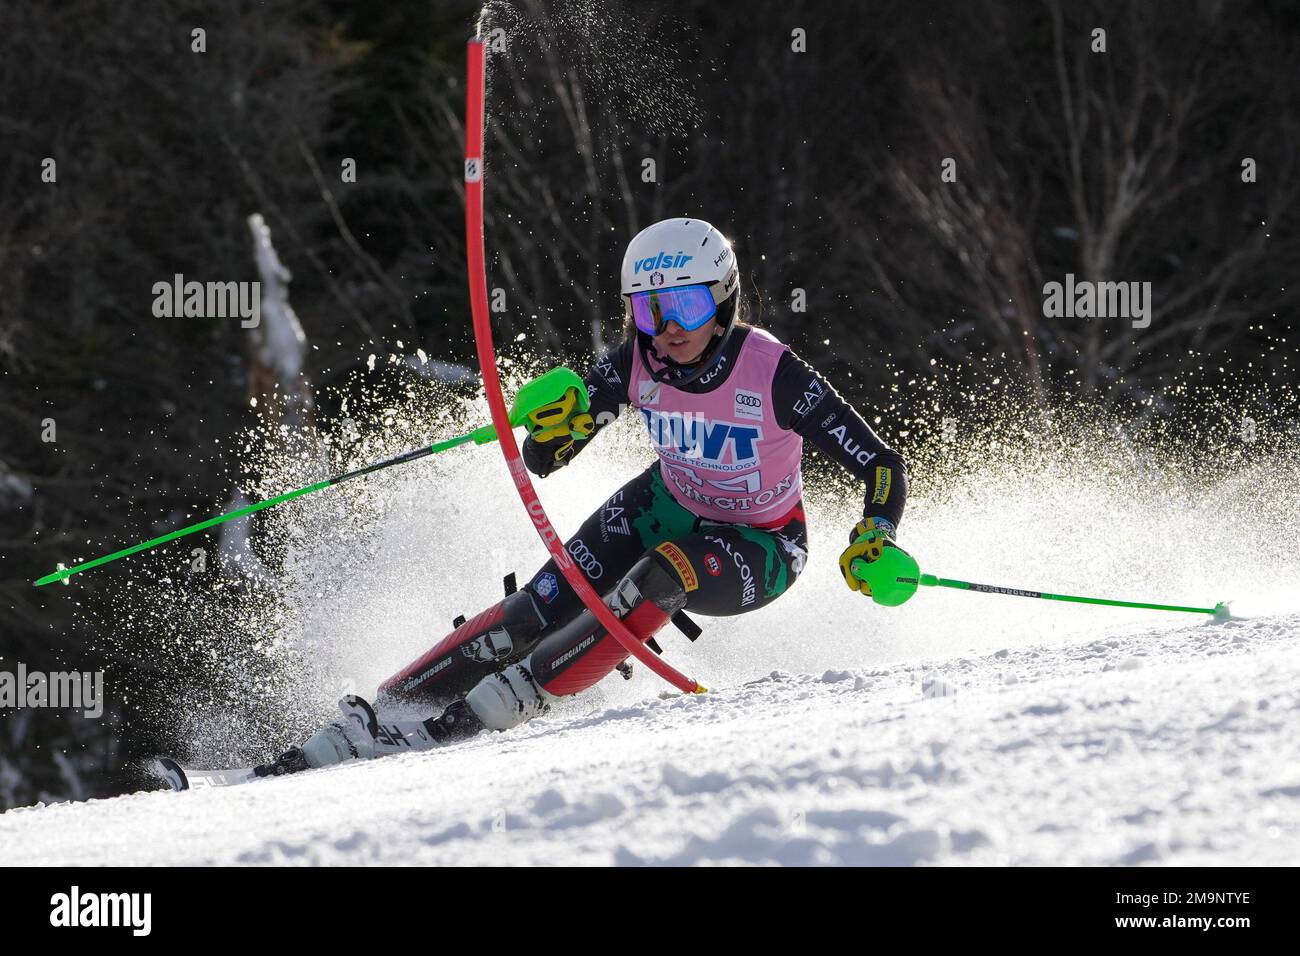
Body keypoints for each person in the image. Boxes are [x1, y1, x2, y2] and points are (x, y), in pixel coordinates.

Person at [292, 217, 910, 769]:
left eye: (686, 307)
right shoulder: (634, 363)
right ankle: (387, 710)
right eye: (648, 311)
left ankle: (485, 714)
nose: (666, 330)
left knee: (661, 575)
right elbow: (547, 458)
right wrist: (551, 424)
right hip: (664, 505)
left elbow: (880, 461)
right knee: (536, 607)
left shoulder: (773, 373)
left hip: (763, 541)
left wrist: (876, 533)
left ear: (723, 301)